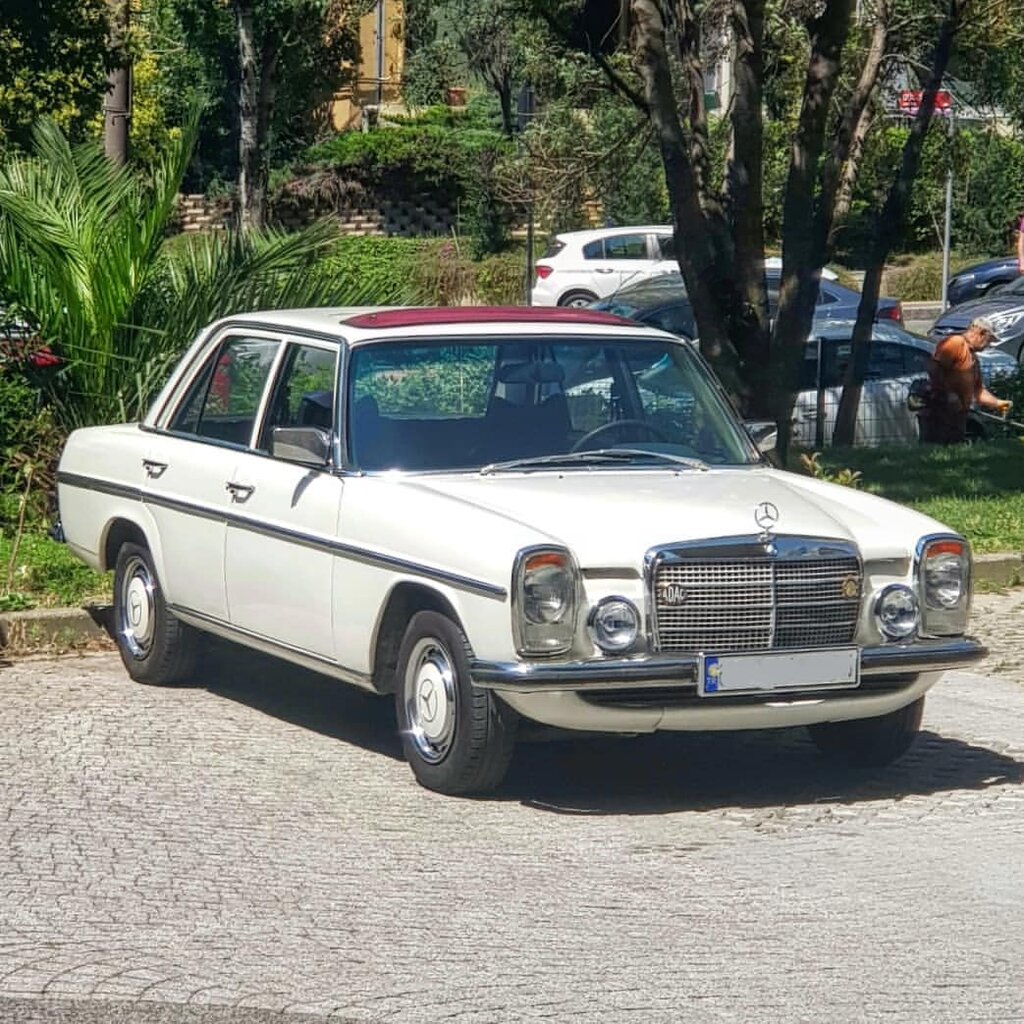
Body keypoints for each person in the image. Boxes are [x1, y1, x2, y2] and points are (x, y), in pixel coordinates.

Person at [920, 316, 1013, 443]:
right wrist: (949, 395)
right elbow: (934, 367)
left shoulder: (974, 359)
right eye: (989, 341)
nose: (988, 345)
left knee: (954, 454)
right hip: (939, 414)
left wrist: (998, 403)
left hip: (958, 418)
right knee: (938, 452)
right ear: (981, 334)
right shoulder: (956, 343)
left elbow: (978, 392)